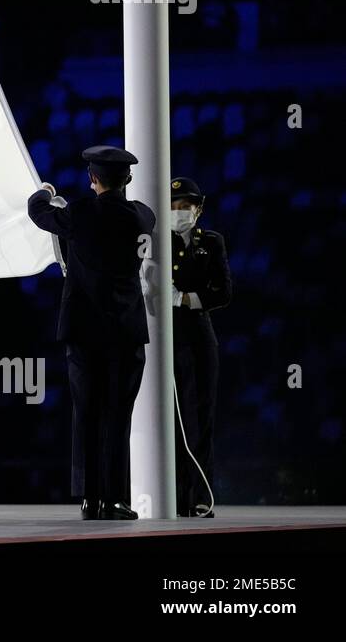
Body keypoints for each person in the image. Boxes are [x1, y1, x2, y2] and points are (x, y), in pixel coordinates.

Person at [27, 145, 154, 521]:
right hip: (126, 329)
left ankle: (89, 497)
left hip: (83, 328)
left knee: (86, 412)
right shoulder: (141, 216)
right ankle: (116, 498)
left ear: (91, 178)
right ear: (127, 179)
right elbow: (143, 214)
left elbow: (37, 212)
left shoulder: (78, 213)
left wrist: (46, 192)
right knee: (118, 415)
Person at [168, 177, 231, 518]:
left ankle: (200, 495)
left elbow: (223, 291)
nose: (180, 212)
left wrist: (187, 298)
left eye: (186, 206)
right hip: (166, 338)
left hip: (198, 335)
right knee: (171, 420)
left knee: (201, 417)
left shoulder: (211, 241)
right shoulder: (155, 242)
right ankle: (174, 496)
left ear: (198, 208)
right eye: (174, 207)